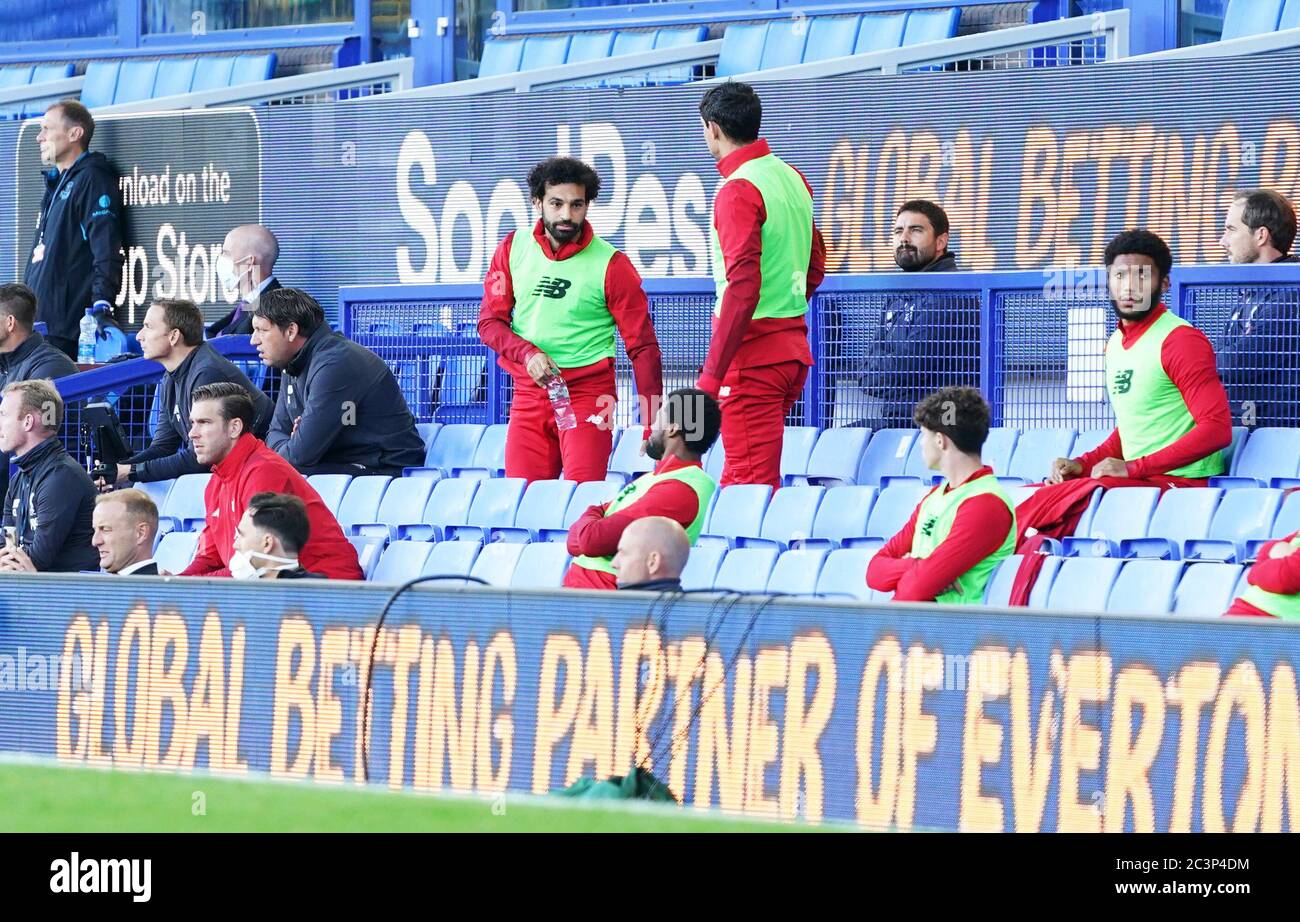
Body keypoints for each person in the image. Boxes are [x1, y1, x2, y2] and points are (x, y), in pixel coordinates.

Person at [1016, 230, 1232, 545]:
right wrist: (1083, 463)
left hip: (1181, 486)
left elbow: (1217, 430)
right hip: (1138, 480)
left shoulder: (1181, 341)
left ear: (1165, 284)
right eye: (1120, 275)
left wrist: (1133, 468)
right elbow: (1133, 430)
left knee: (1039, 513)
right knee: (1018, 497)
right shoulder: (1115, 342)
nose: (1129, 287)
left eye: (1142, 276)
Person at [478, 156, 663, 483]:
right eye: (556, 203)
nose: (566, 215)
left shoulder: (613, 265)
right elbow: (490, 324)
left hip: (588, 396)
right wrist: (527, 353)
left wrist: (652, 420)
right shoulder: (512, 248)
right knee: (523, 503)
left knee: (583, 499)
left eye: (577, 205)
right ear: (537, 202)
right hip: (529, 394)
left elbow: (643, 347)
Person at [697, 81, 825, 490]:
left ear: (713, 129)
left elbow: (742, 286)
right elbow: (815, 262)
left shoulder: (737, 188)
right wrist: (786, 311)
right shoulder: (792, 177)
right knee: (746, 475)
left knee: (747, 485)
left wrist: (711, 377)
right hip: (790, 352)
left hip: (752, 357)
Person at [178, 382, 363, 579]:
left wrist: (189, 585)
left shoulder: (264, 471)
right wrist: (175, 582)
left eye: (204, 422)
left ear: (234, 427)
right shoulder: (216, 481)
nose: (192, 433)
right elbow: (210, 557)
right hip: (275, 592)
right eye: (192, 423)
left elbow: (257, 564)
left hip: (325, 590)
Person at [98, 298, 274, 489]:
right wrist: (119, 469)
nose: (140, 336)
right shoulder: (170, 376)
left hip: (260, 475)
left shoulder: (207, 373)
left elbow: (199, 459)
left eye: (148, 327)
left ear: (174, 336)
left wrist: (132, 472)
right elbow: (163, 447)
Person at [252, 287, 425, 476]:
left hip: (384, 469)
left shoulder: (336, 363)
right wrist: (292, 444)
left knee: (273, 473)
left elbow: (299, 456)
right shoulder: (291, 361)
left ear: (291, 331)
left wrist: (294, 444)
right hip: (342, 463)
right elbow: (276, 433)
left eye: (262, 330)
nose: (254, 340)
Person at [867, 387, 1015, 603]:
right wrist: (916, 566)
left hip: (953, 632)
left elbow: (913, 590)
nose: (920, 443)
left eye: (923, 435)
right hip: (920, 628)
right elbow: (874, 572)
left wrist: (918, 573)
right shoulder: (935, 497)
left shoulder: (986, 504)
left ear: (940, 440)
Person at [564, 387, 720, 590]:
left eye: (660, 416)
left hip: (608, 606)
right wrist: (593, 519)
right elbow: (583, 536)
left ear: (672, 429)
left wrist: (592, 521)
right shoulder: (655, 478)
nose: (653, 424)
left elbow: (590, 540)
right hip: (587, 599)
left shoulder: (679, 490)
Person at [24, 99, 125, 360]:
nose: (39, 137)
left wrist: (102, 303)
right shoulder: (57, 183)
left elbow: (106, 247)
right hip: (39, 324)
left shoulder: (92, 178)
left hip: (65, 328)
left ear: (75, 133)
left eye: (47, 129)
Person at [859, 200, 970, 429]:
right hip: (897, 420)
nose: (904, 238)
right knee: (841, 446)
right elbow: (864, 375)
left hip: (940, 427)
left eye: (916, 230)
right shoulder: (898, 293)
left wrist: (886, 368)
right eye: (898, 231)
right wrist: (890, 369)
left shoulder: (950, 294)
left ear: (941, 241)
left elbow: (913, 366)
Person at [1216, 189, 1300, 427]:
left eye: (1231, 230)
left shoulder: (1292, 294)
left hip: (1280, 445)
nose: (1222, 241)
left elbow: (1237, 363)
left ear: (1261, 235)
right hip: (1243, 435)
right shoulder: (1251, 292)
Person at [0, 379, 97, 573]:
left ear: (27, 422)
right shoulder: (20, 476)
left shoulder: (61, 476)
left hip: (68, 595)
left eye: (3, 414)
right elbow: (6, 543)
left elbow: (37, 560)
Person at [0, 283, 78, 501]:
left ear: (10, 323)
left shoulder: (51, 366)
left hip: (39, 491)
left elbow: (36, 437)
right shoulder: (7, 365)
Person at [208, 224, 282, 338]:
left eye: (226, 253)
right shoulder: (249, 303)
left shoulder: (276, 309)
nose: (221, 258)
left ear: (249, 262)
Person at [230, 492, 324, 580]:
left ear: (267, 543)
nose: (235, 545)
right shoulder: (319, 590)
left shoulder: (313, 595)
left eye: (241, 535)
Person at [1225, 531, 1300, 619]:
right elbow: (1266, 549)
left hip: (1275, 623)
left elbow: (1284, 577)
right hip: (1244, 611)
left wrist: (1259, 569)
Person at [611, 516, 690, 592]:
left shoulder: (615, 605)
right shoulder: (694, 604)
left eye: (623, 553)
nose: (613, 563)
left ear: (653, 562)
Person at [92, 490, 159, 575]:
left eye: (105, 529)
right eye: (95, 530)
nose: (95, 541)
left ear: (141, 533)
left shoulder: (149, 587)